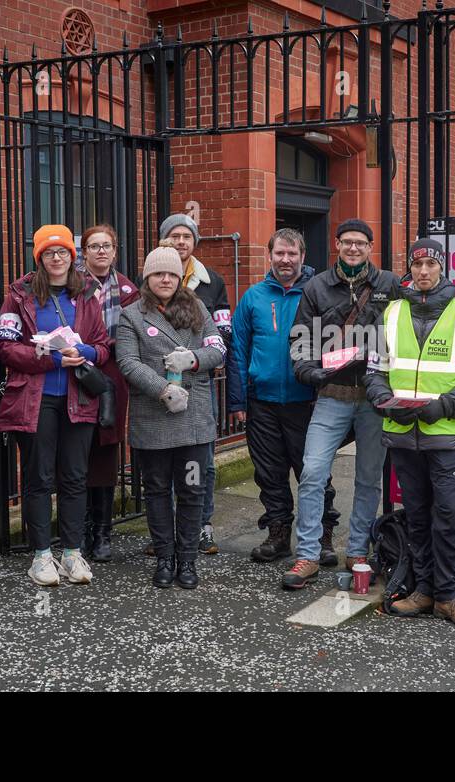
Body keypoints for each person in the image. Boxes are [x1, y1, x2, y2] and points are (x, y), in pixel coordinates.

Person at [365, 239, 455, 627]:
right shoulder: (389, 313)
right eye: (417, 264)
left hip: (446, 435)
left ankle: (450, 596)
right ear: (410, 268)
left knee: (449, 518)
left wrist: (445, 405)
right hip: (402, 434)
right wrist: (384, 401)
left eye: (431, 264)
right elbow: (374, 371)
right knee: (418, 516)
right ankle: (424, 591)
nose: (423, 271)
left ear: (443, 269)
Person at [281, 219, 402, 589]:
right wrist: (308, 372)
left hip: (374, 396)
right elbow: (301, 338)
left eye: (360, 243)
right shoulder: (317, 286)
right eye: (347, 242)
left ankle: (358, 550)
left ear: (370, 247)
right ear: (337, 245)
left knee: (368, 478)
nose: (353, 248)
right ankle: (307, 555)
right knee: (313, 472)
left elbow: (407, 332)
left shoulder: (389, 285)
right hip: (332, 395)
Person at [0, 225, 110, 587]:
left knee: (76, 477)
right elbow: (5, 347)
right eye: (49, 253)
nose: (57, 258)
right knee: (40, 477)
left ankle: (73, 553)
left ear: (72, 257)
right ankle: (42, 556)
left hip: (78, 398)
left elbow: (104, 346)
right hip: (36, 398)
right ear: (39, 258)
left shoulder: (87, 295)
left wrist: (86, 352)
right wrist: (53, 356)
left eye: (63, 252)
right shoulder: (19, 295)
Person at [227, 228, 341, 563]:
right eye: (280, 253)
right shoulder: (254, 297)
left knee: (314, 471)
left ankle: (322, 537)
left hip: (307, 401)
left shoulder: (318, 293)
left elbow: (333, 345)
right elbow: (238, 350)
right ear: (270, 255)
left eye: (292, 254)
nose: (286, 260)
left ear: (303, 257)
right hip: (261, 402)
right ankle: (277, 535)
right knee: (269, 473)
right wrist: (237, 401)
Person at [118, 242, 225, 589]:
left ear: (180, 278)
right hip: (153, 418)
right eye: (157, 273)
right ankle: (165, 557)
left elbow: (218, 347)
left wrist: (192, 359)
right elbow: (127, 362)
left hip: (193, 423)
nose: (165, 279)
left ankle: (188, 560)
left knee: (192, 490)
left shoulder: (197, 308)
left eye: (171, 274)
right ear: (147, 278)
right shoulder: (131, 314)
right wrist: (162, 388)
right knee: (158, 491)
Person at [160, 213, 230, 555]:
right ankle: (170, 528)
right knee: (166, 457)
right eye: (174, 236)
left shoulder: (212, 282)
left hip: (199, 384)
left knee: (205, 461)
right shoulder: (152, 279)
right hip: (163, 385)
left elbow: (223, 333)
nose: (181, 242)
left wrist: (197, 357)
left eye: (187, 236)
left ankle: (202, 525)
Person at [78, 224, 140, 562]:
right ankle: (79, 528)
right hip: (77, 372)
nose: (101, 251)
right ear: (84, 252)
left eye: (107, 246)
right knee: (76, 451)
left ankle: (102, 532)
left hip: (113, 376)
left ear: (115, 251)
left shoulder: (129, 289)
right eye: (94, 246)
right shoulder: (71, 285)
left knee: (105, 451)